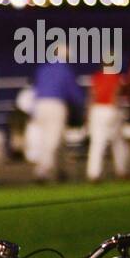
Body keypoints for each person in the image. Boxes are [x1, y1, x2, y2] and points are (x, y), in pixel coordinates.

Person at [30, 47, 84, 183]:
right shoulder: (65, 70)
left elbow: (36, 89)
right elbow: (74, 94)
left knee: (55, 140)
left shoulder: (43, 69)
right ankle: (42, 172)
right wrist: (81, 108)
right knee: (52, 141)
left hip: (39, 105)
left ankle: (62, 171)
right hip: (56, 106)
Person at [86, 60, 129, 181]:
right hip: (110, 108)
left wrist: (88, 114)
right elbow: (116, 93)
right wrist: (115, 110)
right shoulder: (115, 77)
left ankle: (93, 174)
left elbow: (92, 95)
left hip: (97, 110)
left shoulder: (97, 77)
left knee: (97, 143)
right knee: (118, 142)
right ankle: (122, 171)